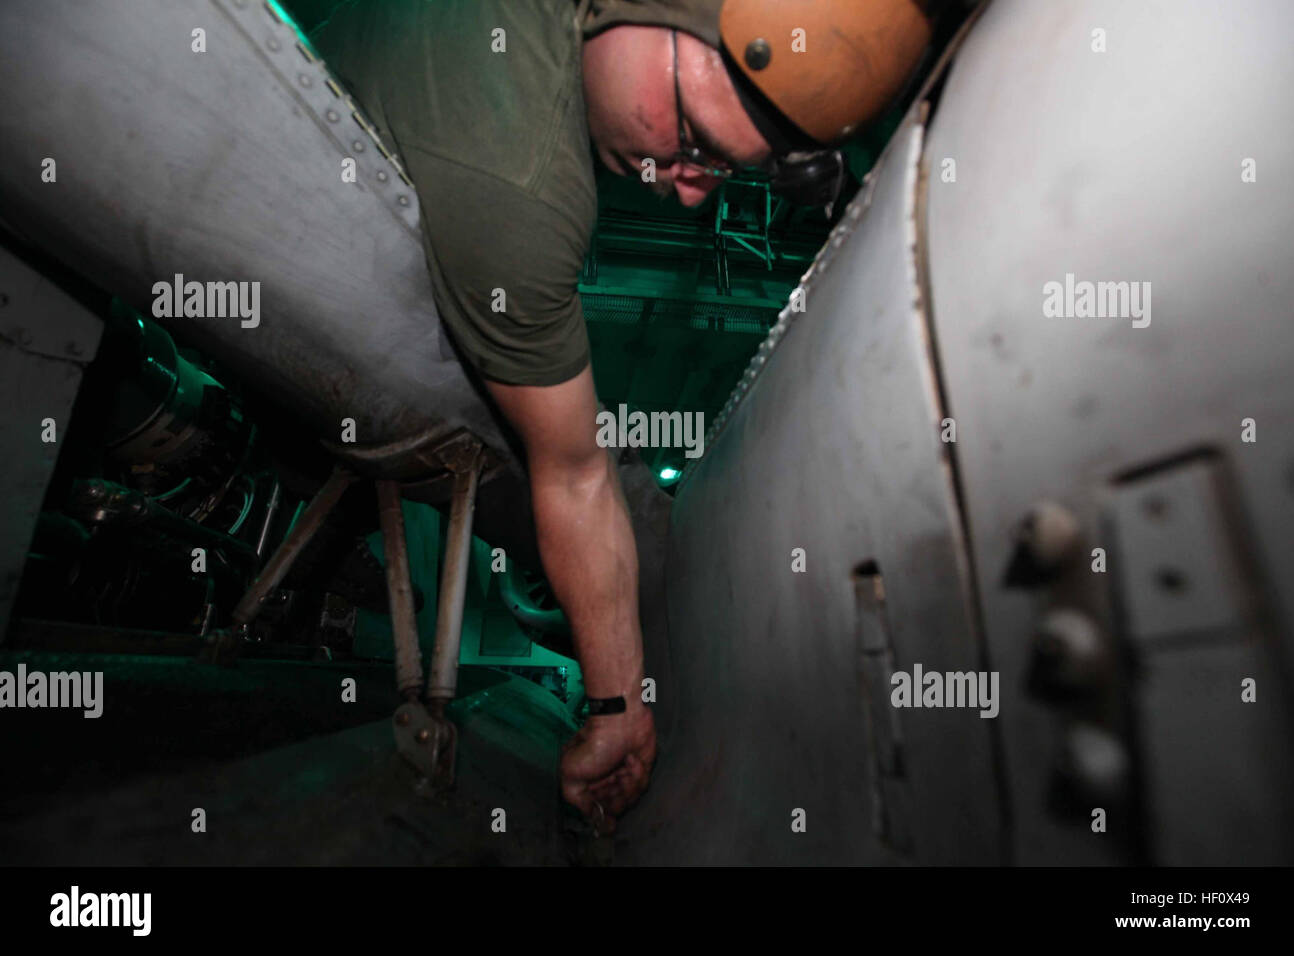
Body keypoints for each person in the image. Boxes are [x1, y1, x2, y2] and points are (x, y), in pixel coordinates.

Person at [310, 0, 932, 833]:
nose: (688, 194)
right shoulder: (522, 186)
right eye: (697, 146)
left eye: (723, 174)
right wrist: (617, 711)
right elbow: (573, 476)